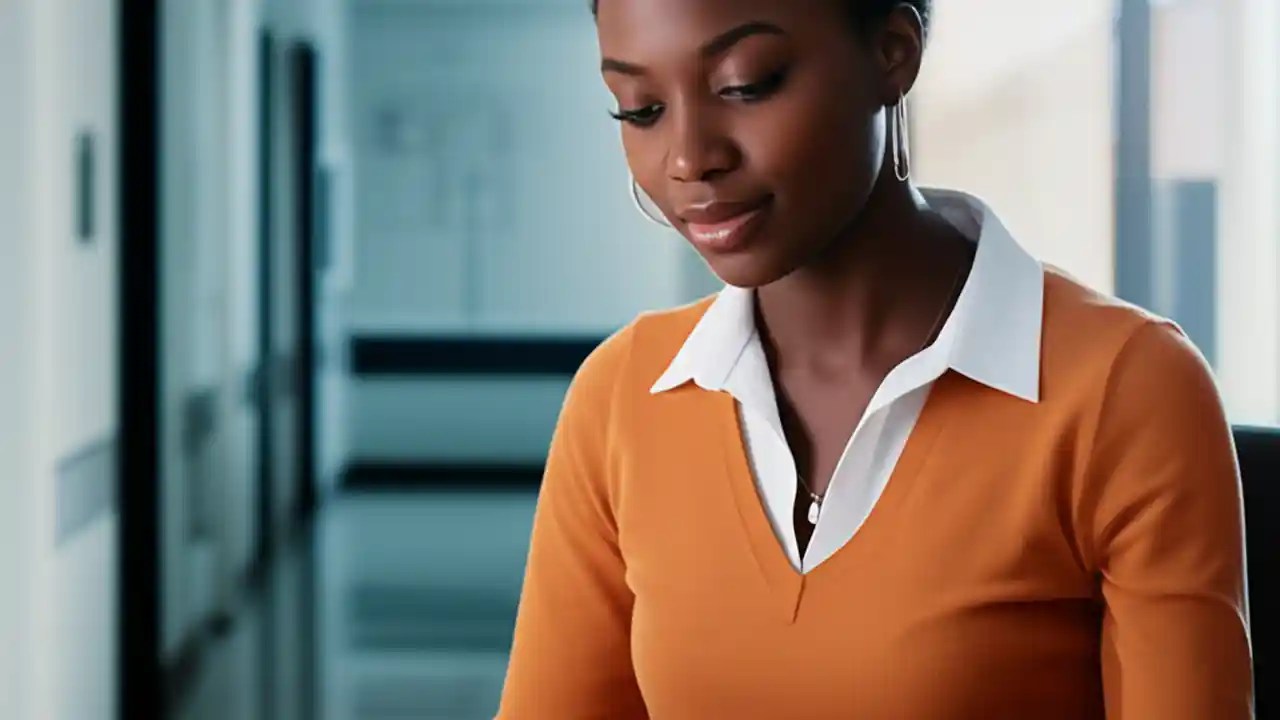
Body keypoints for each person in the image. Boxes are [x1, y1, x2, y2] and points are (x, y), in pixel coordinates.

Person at [497, 1, 1254, 717]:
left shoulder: (1121, 390)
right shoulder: (623, 395)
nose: (690, 158)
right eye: (642, 110)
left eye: (747, 85)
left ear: (894, 53)